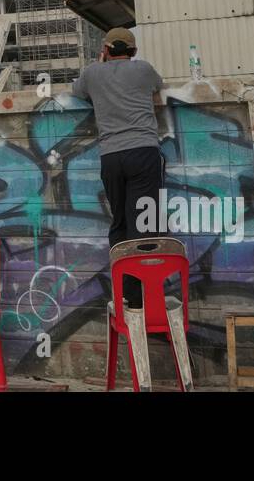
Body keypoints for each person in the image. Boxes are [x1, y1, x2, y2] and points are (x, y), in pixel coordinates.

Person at [71, 28, 164, 310]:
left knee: (120, 223)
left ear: (106, 49)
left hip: (111, 156)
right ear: (133, 51)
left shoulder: (91, 73)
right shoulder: (144, 70)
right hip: (144, 152)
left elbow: (76, 92)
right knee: (145, 225)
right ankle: (148, 295)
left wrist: (101, 65)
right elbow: (158, 87)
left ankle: (128, 293)